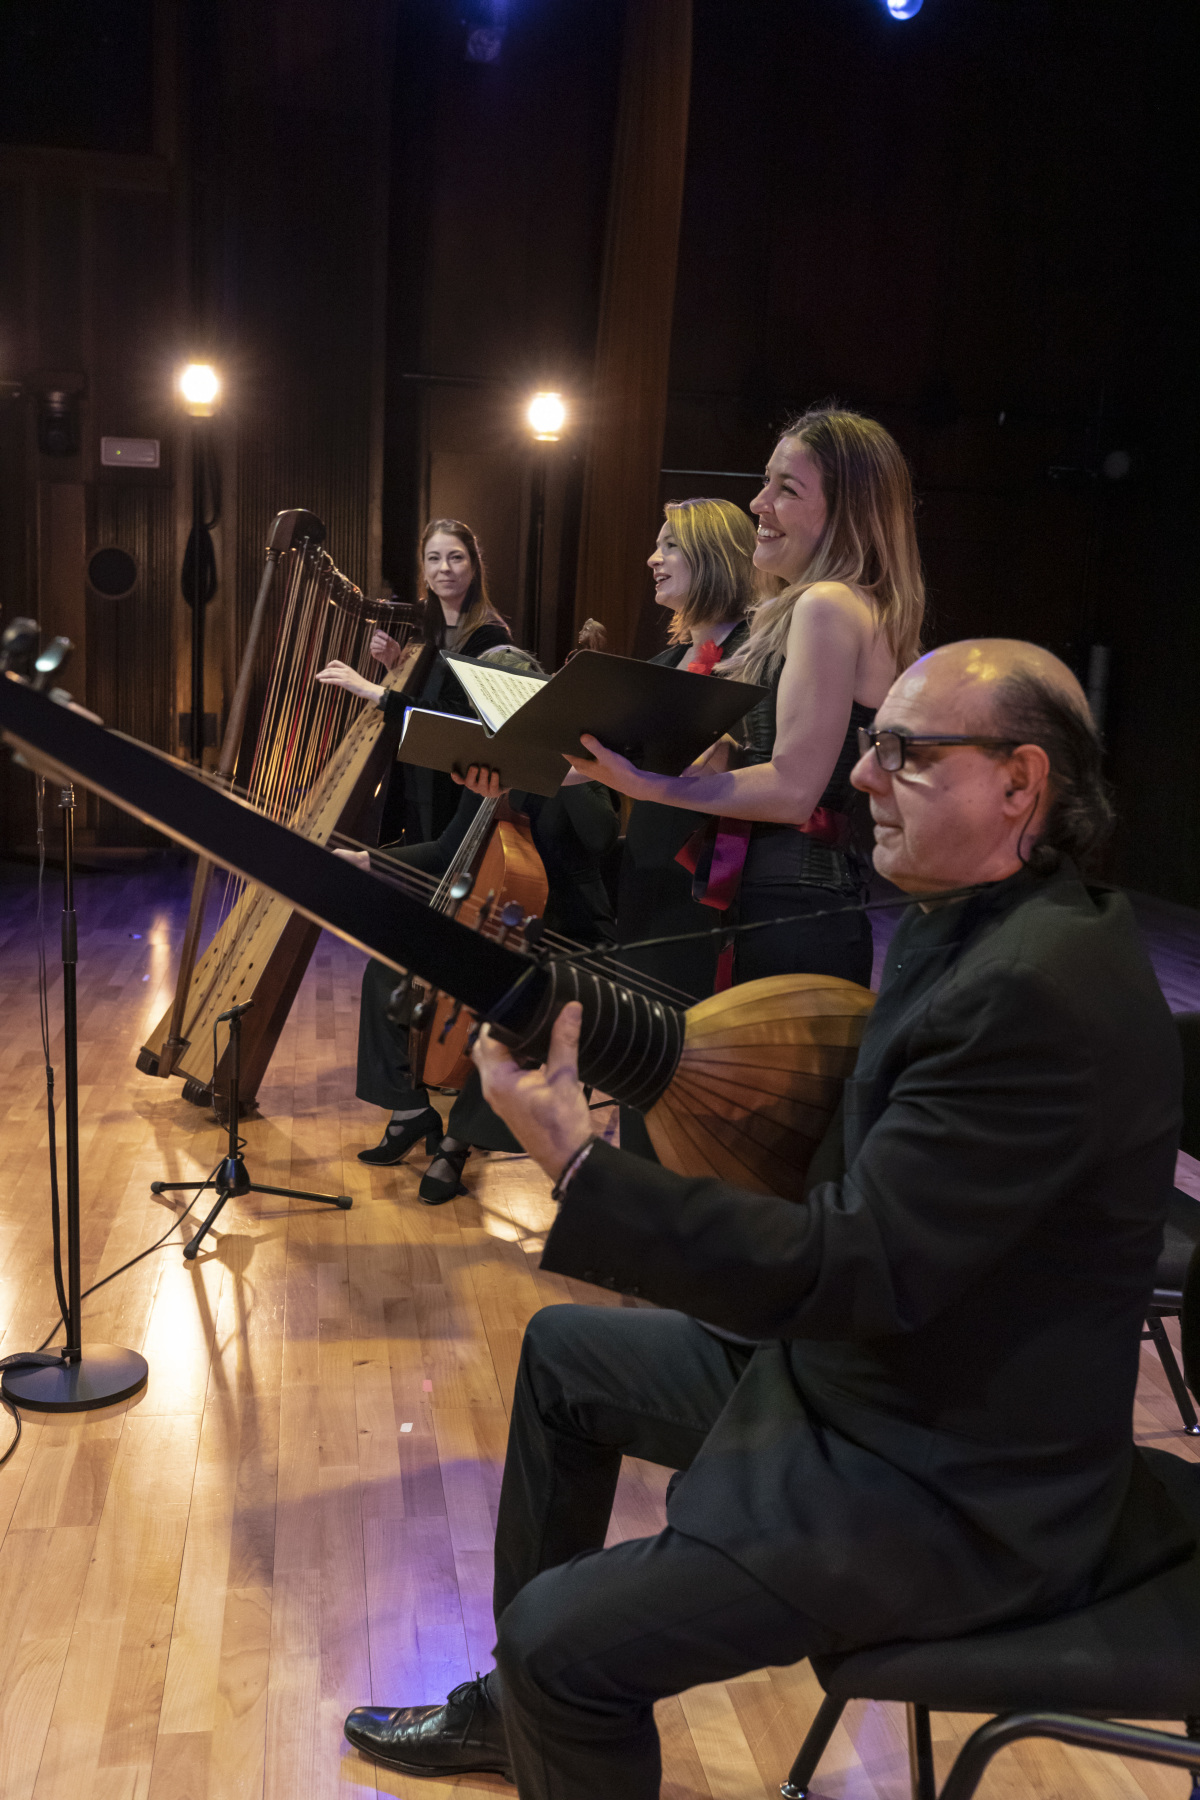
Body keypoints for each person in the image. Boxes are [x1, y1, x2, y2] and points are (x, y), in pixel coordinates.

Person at [343, 638, 1193, 1797]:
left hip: (950, 1482)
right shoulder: (1000, 924)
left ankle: (538, 1689)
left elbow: (857, 1266)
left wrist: (580, 1164)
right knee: (562, 1355)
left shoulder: (1035, 989)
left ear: (1020, 784)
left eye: (903, 753)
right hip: (880, 1384)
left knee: (566, 1646)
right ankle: (516, 1712)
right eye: (868, 744)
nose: (859, 778)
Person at [568, 407, 926, 994]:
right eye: (767, 482)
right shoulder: (848, 605)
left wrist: (643, 785)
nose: (759, 503)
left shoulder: (826, 604)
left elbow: (792, 792)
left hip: (785, 916)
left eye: (786, 489)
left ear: (846, 513)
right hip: (788, 906)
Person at [344, 652, 619, 1202]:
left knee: (508, 1011)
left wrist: (567, 773)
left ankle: (459, 1144)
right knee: (387, 969)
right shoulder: (496, 765)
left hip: (570, 935)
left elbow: (604, 835)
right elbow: (450, 850)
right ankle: (409, 1112)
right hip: (503, 924)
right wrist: (372, 861)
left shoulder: (578, 761)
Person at [615, 498, 757, 1006]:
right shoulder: (665, 662)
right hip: (649, 872)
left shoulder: (754, 655)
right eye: (656, 546)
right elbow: (599, 757)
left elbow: (727, 764)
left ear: (715, 556)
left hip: (709, 883)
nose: (653, 559)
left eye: (670, 546)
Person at [317, 517, 512, 843]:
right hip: (418, 783)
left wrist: (371, 689)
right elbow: (434, 689)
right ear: (424, 569)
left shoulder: (488, 636)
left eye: (456, 557)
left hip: (456, 789)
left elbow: (454, 716)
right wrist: (395, 663)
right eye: (434, 558)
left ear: (474, 567)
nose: (444, 568)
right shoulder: (431, 626)